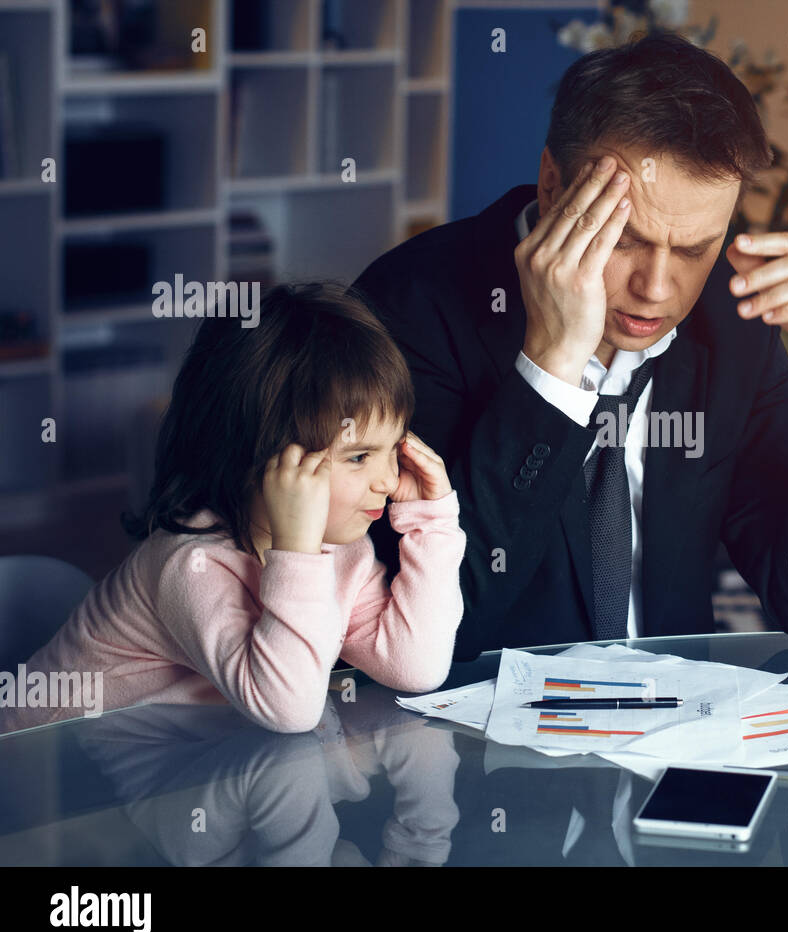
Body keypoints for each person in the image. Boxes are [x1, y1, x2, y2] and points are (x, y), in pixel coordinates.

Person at [354, 32, 788, 661]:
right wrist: (551, 371)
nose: (657, 289)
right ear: (552, 184)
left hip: (674, 729)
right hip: (471, 742)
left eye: (694, 249)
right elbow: (436, 633)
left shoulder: (734, 318)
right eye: (626, 240)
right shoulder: (406, 310)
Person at [1, 283, 466, 735]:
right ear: (260, 460)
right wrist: (298, 553)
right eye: (360, 456)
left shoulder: (342, 551)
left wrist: (432, 524)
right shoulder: (193, 564)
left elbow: (415, 667)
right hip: (43, 785)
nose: (388, 479)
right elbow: (291, 710)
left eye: (395, 446)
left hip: (161, 779)